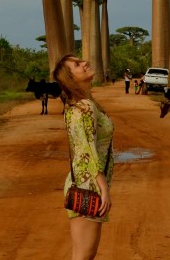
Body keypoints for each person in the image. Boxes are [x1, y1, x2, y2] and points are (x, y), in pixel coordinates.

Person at [53, 54, 114, 260]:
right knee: (84, 256)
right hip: (88, 185)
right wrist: (103, 187)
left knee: (81, 255)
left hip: (82, 181)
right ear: (70, 78)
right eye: (77, 65)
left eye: (81, 60)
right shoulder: (84, 107)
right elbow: (86, 149)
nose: (85, 63)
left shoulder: (78, 104)